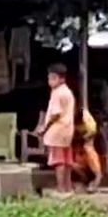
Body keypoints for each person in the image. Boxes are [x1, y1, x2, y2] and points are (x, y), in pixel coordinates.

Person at [34, 63, 76, 194]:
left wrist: (44, 128)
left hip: (57, 131)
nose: (50, 81)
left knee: (59, 161)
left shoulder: (57, 93)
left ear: (61, 79)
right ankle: (68, 188)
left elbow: (55, 114)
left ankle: (61, 189)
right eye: (49, 78)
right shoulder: (68, 92)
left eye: (53, 78)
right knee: (67, 161)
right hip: (67, 130)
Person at [72, 99, 104, 191]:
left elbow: (92, 131)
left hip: (89, 145)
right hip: (77, 148)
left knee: (89, 150)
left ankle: (96, 180)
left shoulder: (85, 116)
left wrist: (85, 138)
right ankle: (84, 179)